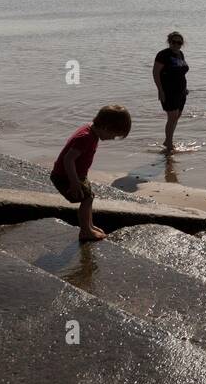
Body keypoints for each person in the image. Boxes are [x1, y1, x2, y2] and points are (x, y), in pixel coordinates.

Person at [50, 105, 132, 242]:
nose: (112, 139)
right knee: (86, 199)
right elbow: (68, 159)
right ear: (106, 127)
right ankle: (85, 231)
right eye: (114, 135)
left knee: (89, 197)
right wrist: (74, 182)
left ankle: (89, 225)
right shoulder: (86, 137)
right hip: (65, 177)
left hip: (77, 175)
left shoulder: (91, 131)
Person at [152, 31, 187, 154]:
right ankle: (169, 145)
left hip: (181, 92)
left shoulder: (180, 54)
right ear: (169, 42)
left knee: (176, 117)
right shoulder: (163, 55)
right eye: (174, 42)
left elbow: (181, 72)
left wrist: (185, 89)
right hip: (168, 91)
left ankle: (168, 141)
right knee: (172, 117)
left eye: (179, 42)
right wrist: (160, 90)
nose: (177, 44)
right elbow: (156, 73)